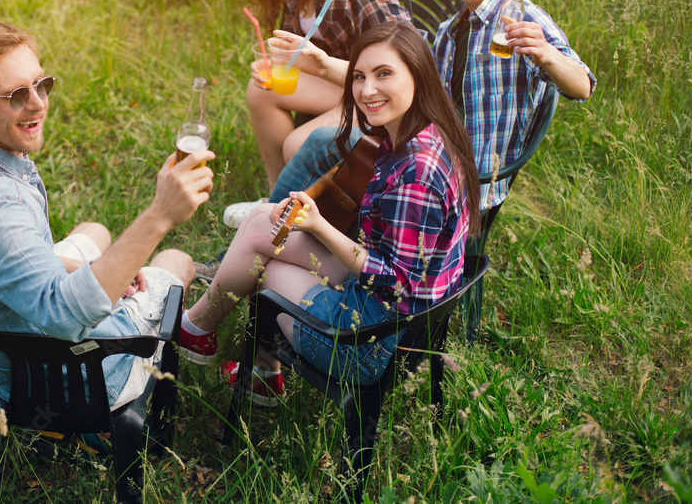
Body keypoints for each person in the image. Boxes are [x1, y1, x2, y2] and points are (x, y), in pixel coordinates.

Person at [180, 21, 480, 405]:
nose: (367, 90)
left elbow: (396, 283)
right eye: (358, 76)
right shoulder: (428, 131)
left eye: (383, 74)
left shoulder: (417, 173)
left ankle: (228, 350)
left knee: (266, 265)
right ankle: (204, 334)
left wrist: (320, 226)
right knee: (261, 227)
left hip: (370, 343)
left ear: (418, 76)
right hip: (400, 315)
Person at [0, 22, 214, 411]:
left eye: (40, 84)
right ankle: (154, 365)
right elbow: (66, 318)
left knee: (93, 233)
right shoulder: (1, 208)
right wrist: (159, 215)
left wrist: (83, 266)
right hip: (68, 376)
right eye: (16, 95)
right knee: (176, 262)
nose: (39, 103)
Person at [258, 0, 597, 217]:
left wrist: (546, 54)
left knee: (324, 149)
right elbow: (413, 87)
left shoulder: (523, 20)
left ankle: (272, 235)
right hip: (425, 150)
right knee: (324, 144)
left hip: (468, 178)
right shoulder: (450, 30)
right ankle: (277, 232)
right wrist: (321, 63)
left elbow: (583, 86)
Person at [226, 0, 410, 226]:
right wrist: (276, 63)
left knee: (297, 144)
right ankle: (273, 199)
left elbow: (393, 21)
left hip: (376, 87)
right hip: (340, 80)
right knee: (260, 89)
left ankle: (298, 216)